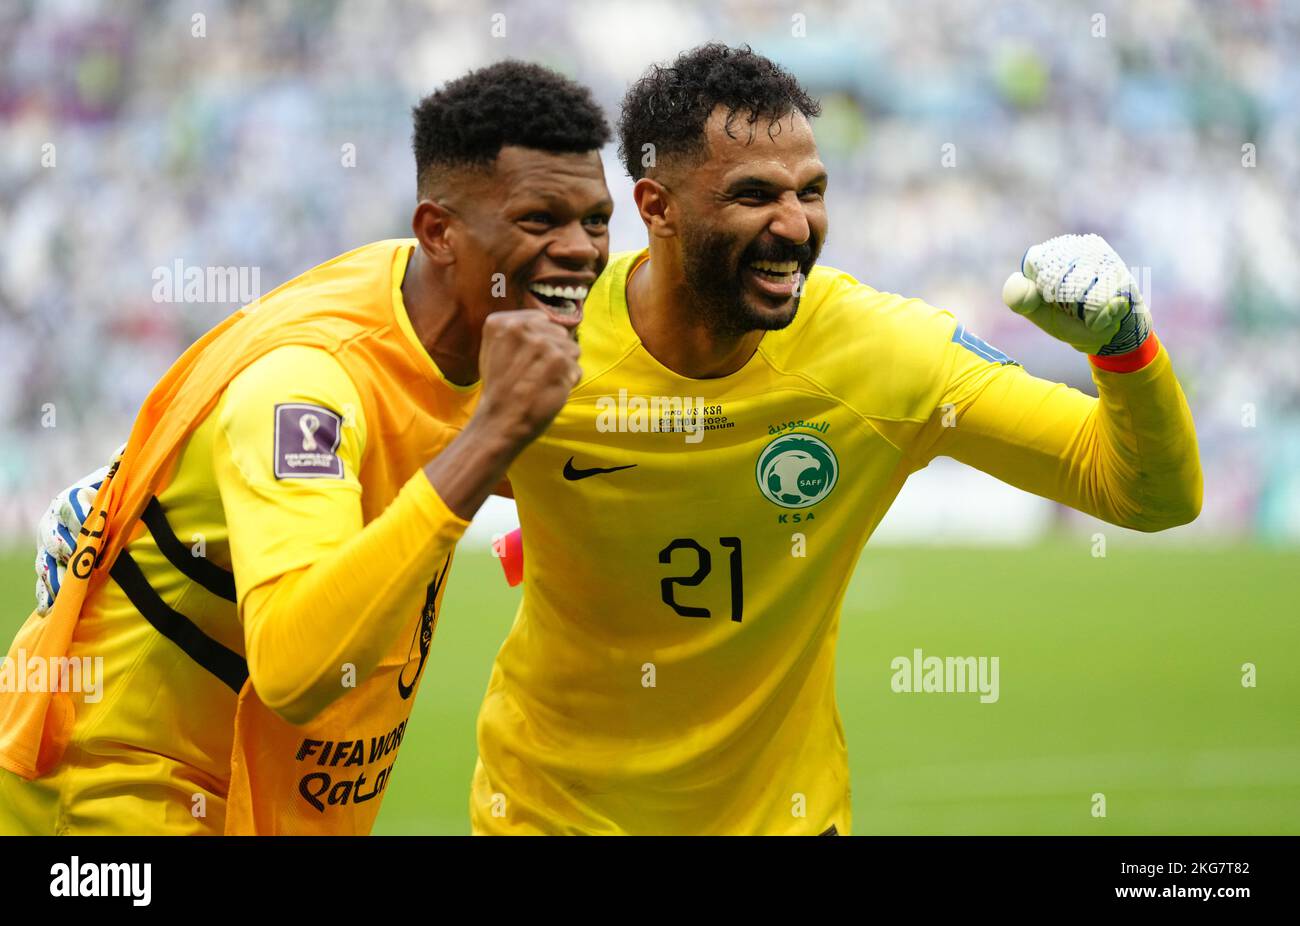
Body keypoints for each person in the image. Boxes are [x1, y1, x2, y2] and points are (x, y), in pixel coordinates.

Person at [467, 44, 1201, 835]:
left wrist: (1125, 349)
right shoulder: (539, 338)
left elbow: (1148, 494)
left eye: (810, 191)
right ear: (657, 208)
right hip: (551, 815)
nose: (794, 225)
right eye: (752, 195)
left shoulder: (880, 355)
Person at [0, 60, 612, 835]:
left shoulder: (455, 313)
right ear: (440, 231)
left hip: (245, 797)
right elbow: (296, 667)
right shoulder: (307, 385)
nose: (581, 249)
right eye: (539, 220)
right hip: (116, 799)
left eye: (596, 219)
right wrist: (493, 435)